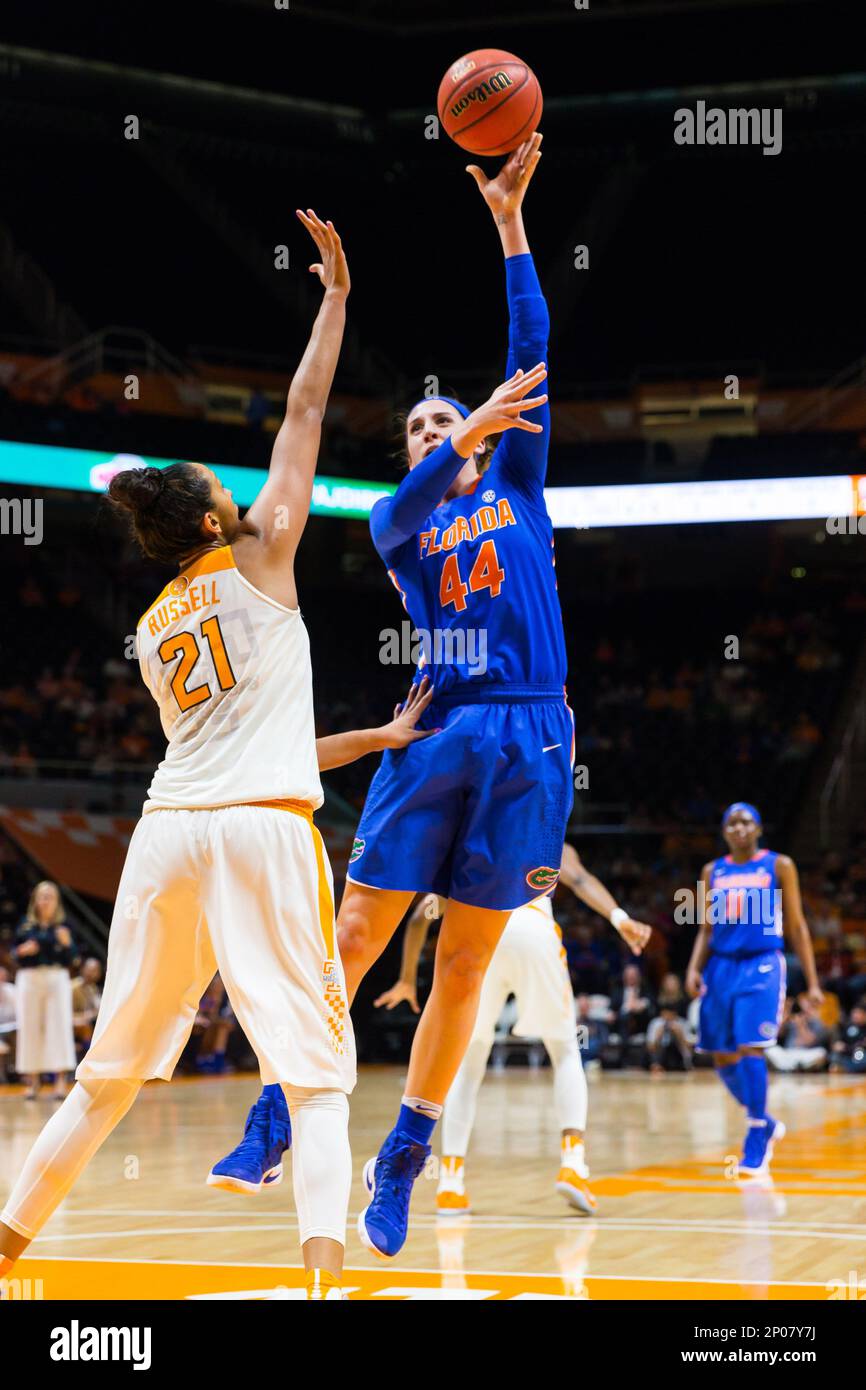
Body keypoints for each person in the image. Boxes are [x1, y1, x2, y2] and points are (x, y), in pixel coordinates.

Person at [0, 211, 426, 1304]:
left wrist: (371, 739)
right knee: (319, 1081)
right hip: (262, 833)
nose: (233, 482)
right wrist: (333, 298)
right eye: (211, 480)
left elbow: (246, 741)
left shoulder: (149, 629)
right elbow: (305, 410)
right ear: (206, 510)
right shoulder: (265, 546)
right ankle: (325, 1289)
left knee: (107, 1079)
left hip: (168, 833)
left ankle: (7, 1245)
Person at [210, 134, 575, 1261]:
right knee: (358, 927)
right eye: (417, 427)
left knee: (463, 963)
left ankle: (406, 1158)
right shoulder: (396, 525)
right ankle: (279, 1105)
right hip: (440, 725)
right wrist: (455, 431)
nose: (432, 430)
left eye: (445, 420)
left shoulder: (513, 480)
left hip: (533, 728)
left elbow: (532, 350)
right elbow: (393, 507)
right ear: (411, 450)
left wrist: (509, 223)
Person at [373, 841, 651, 1215]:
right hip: (533, 929)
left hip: (481, 934)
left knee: (468, 1063)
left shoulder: (468, 836)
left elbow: (422, 916)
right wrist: (620, 918)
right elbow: (581, 880)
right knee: (565, 1048)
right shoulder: (545, 832)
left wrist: (407, 979)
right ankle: (573, 1164)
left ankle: (451, 1183)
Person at [685, 802, 823, 1178]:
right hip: (720, 966)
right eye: (731, 823)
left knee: (750, 1047)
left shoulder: (779, 865)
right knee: (721, 1056)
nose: (739, 828)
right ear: (724, 831)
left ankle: (757, 1133)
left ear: (759, 829)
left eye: (746, 822)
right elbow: (705, 929)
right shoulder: (713, 870)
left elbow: (796, 925)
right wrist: (694, 967)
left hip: (761, 964)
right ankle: (765, 1119)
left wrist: (812, 982)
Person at [13, 881, 77, 1101]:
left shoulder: (64, 926)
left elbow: (73, 959)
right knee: (30, 1027)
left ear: (57, 900)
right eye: (42, 896)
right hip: (29, 977)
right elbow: (14, 953)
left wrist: (67, 944)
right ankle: (33, 1081)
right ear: (35, 900)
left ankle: (60, 1081)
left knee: (58, 1027)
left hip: (56, 976)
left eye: (50, 896)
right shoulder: (25, 925)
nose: (46, 900)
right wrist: (22, 950)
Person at [646, 973, 694, 1074]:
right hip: (661, 1026)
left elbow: (690, 1046)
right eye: (668, 982)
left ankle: (685, 1064)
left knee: (678, 1029)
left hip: (680, 1025)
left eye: (673, 982)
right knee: (657, 1027)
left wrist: (679, 1035)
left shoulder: (684, 1002)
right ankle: (656, 1063)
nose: (670, 985)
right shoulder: (657, 1003)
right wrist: (659, 1036)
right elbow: (657, 1014)